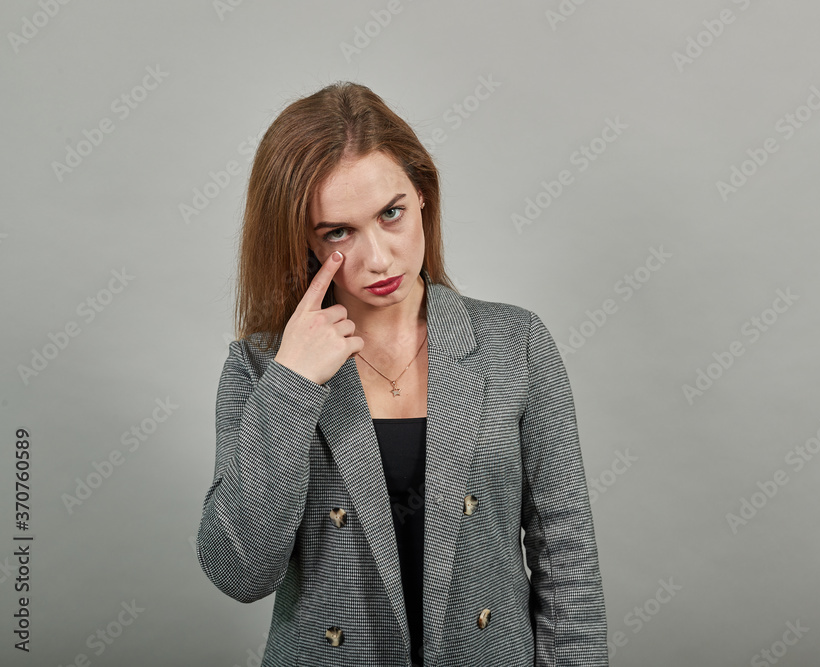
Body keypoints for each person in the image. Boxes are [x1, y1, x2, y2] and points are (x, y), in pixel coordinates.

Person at [195, 81, 608, 666]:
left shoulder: (515, 343)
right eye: (338, 232)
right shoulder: (261, 366)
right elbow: (240, 572)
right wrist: (291, 386)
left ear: (423, 197)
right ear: (302, 242)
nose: (379, 258)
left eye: (391, 214)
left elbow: (567, 558)